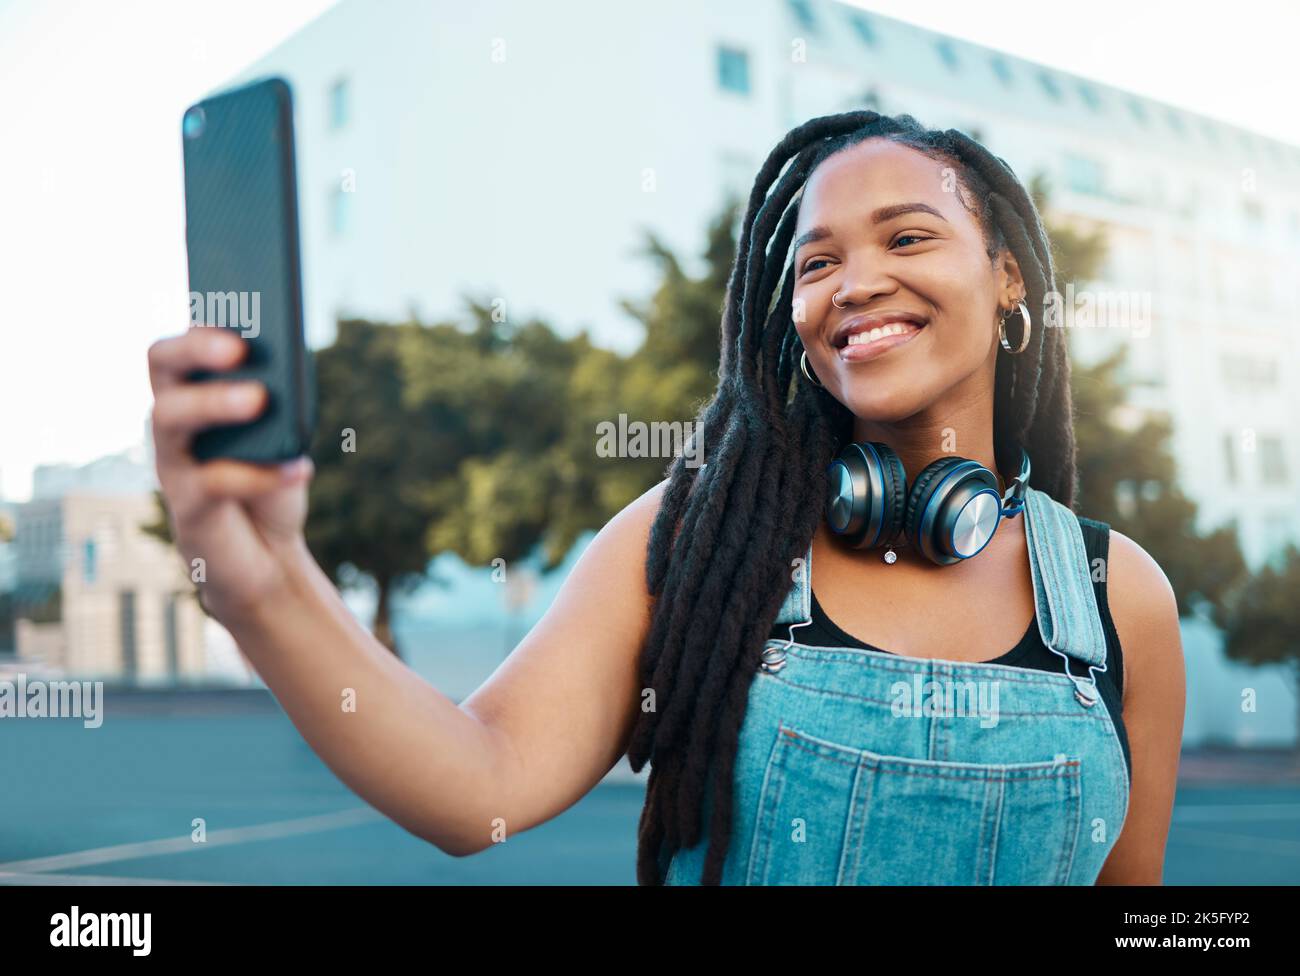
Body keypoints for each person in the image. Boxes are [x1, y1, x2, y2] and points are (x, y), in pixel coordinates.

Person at [147, 109, 1183, 886]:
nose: (853, 282)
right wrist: (262, 585)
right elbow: (478, 788)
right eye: (815, 261)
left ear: (1008, 277)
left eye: (907, 238)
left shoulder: (1113, 593)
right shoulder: (698, 535)